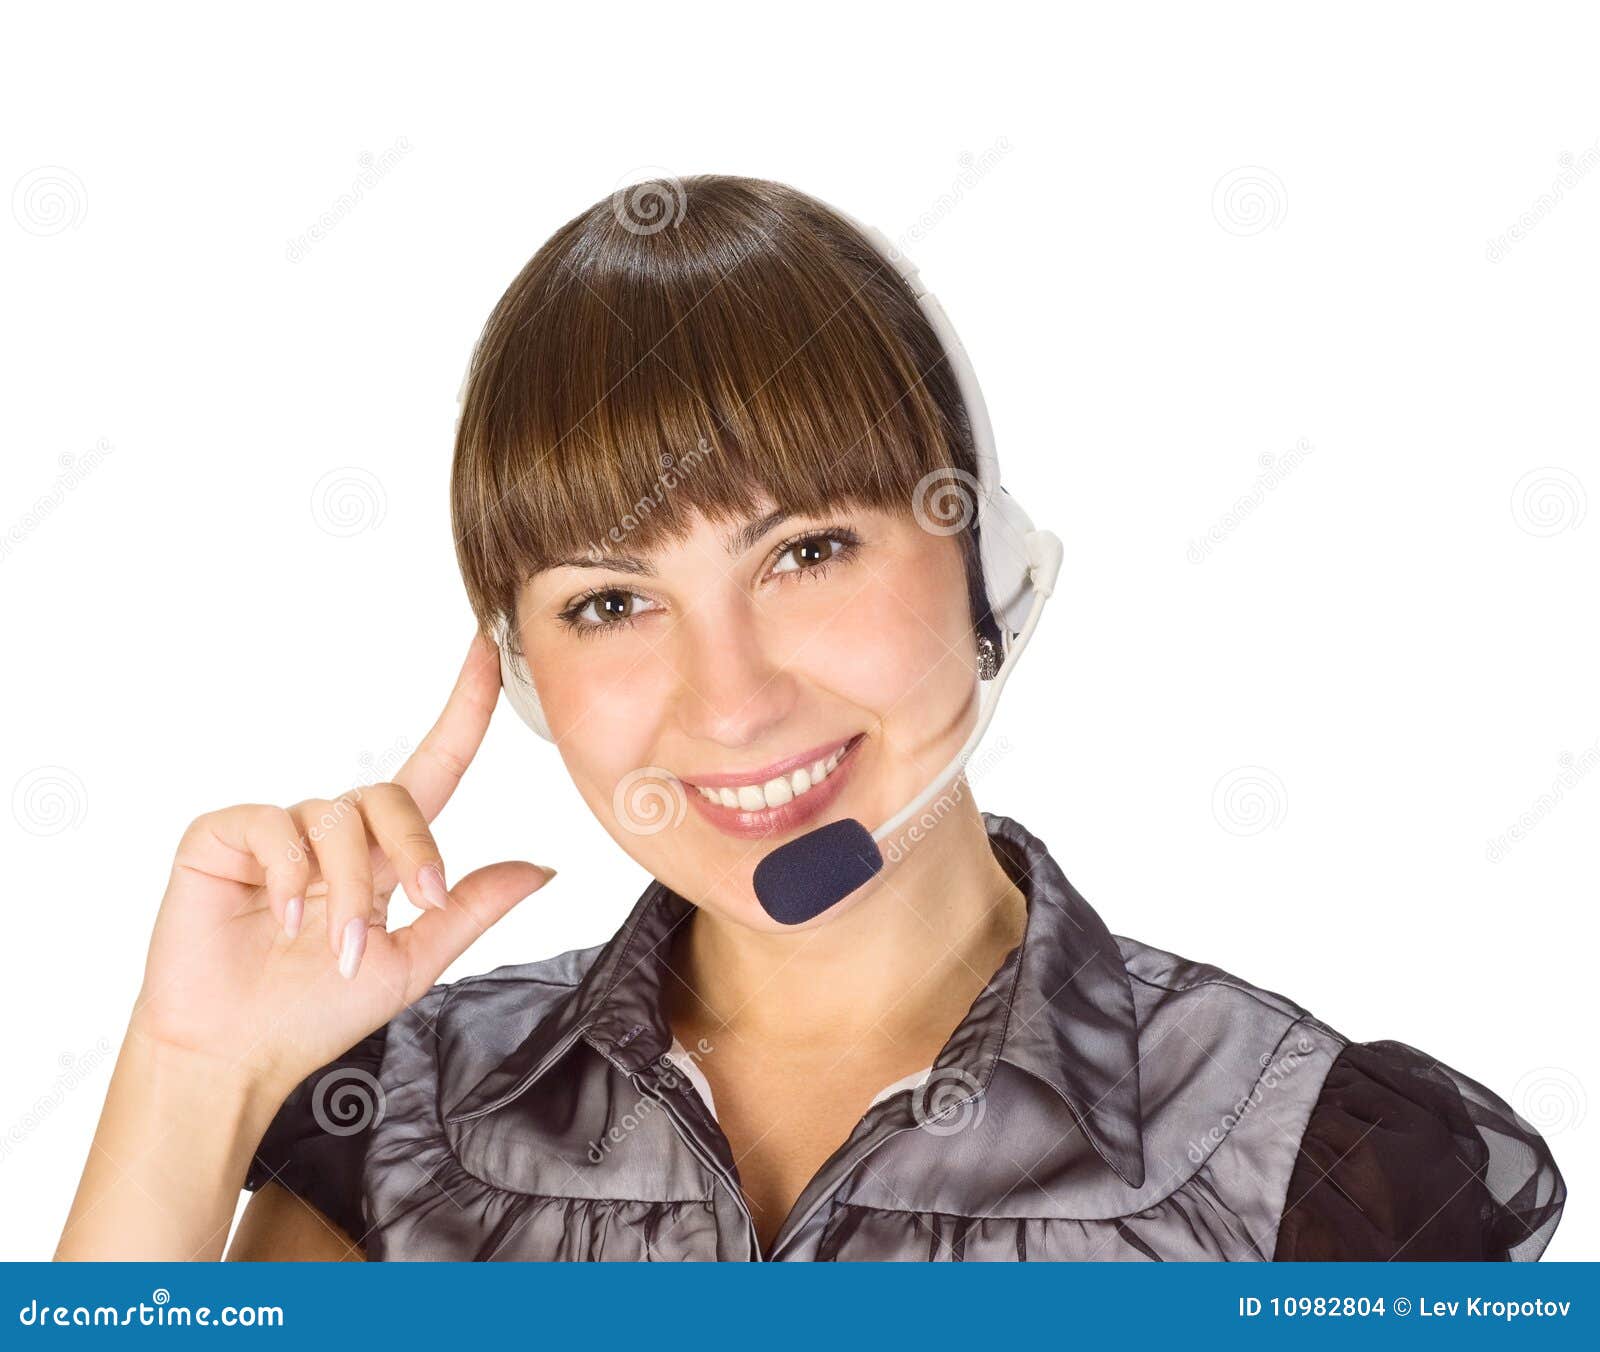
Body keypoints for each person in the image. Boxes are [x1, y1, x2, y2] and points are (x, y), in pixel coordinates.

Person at [57, 176, 1566, 1261]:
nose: (734, 699)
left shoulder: (1319, 1172)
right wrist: (193, 1077)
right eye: (608, 602)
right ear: (521, 670)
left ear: (986, 564)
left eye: (808, 552)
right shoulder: (401, 1135)